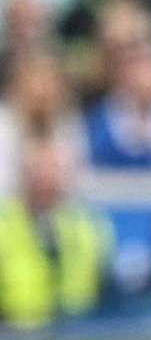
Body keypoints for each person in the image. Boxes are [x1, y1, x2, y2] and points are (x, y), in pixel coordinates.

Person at [0, 130, 108, 329]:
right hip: (14, 329)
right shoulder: (5, 223)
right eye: (39, 170)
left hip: (75, 330)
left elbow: (100, 284)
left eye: (54, 170)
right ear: (24, 175)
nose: (47, 178)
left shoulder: (86, 224)